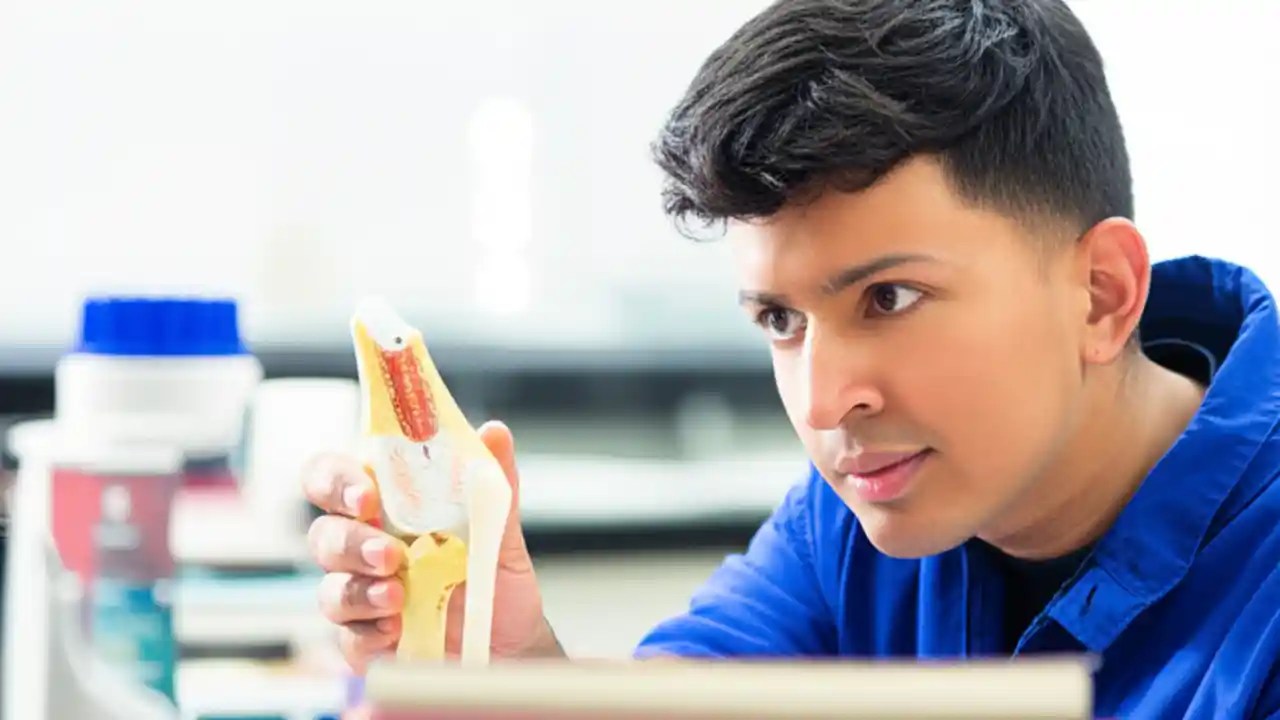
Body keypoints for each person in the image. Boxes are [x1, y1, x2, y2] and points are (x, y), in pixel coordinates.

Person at [301, 1, 1280, 717]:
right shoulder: (855, 517)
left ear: (1100, 294)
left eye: (887, 298)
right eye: (778, 319)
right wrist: (513, 669)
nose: (820, 402)